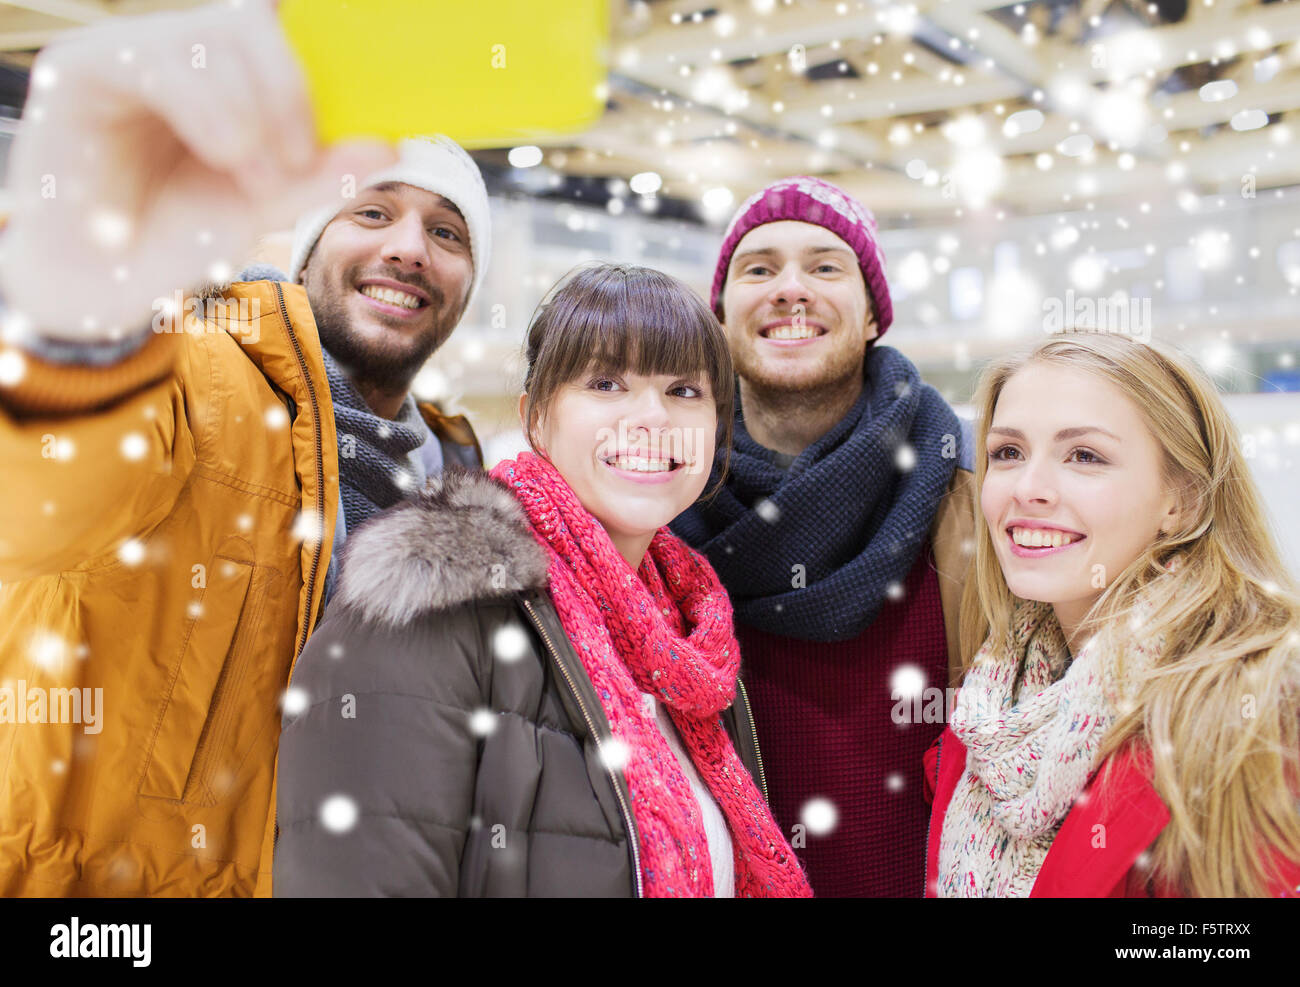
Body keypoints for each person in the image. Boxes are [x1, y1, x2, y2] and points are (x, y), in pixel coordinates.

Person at [0, 1, 486, 896]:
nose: (409, 248)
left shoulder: (459, 478)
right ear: (305, 250)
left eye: (447, 232)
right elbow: (35, 512)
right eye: (371, 211)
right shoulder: (186, 372)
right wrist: (71, 324)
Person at [274, 264, 812, 897]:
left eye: (685, 391)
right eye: (607, 382)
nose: (651, 418)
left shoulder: (694, 642)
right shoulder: (429, 601)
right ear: (535, 417)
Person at [670, 176, 976, 896]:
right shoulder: (658, 502)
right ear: (722, 315)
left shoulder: (968, 487)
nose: (789, 289)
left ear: (873, 315)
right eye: (759, 268)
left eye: (825, 266)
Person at [925, 330, 1300, 897]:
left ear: (1183, 500)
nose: (1029, 488)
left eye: (1084, 456)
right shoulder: (991, 711)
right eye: (1008, 452)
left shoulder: (1263, 711)